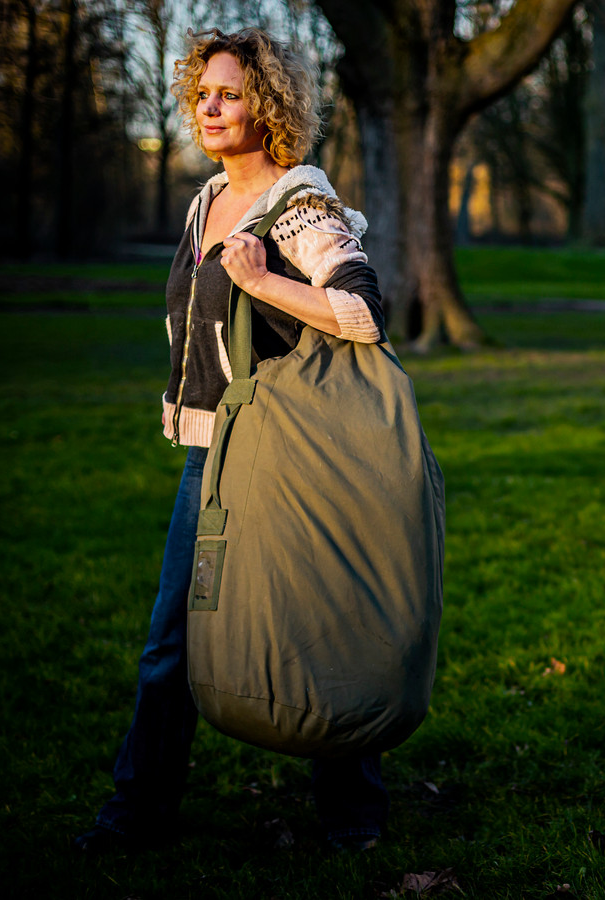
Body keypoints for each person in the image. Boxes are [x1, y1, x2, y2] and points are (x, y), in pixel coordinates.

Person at [76, 27, 387, 853]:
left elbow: (363, 313)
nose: (210, 108)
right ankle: (137, 817)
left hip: (280, 453)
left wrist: (263, 278)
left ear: (268, 106)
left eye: (231, 94)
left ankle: (351, 807)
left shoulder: (299, 198)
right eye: (204, 94)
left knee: (306, 622)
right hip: (209, 453)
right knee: (176, 637)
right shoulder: (203, 199)